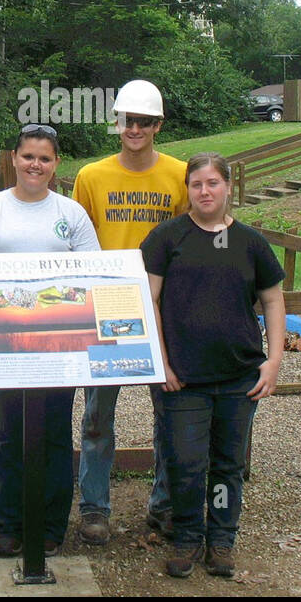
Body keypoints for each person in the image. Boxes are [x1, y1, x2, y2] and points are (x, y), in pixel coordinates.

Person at [141, 152, 285, 579]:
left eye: (213, 183)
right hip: (184, 378)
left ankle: (221, 537)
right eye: (197, 184)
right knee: (185, 462)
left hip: (239, 376)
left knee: (228, 464)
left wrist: (274, 360)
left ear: (227, 186)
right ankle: (187, 536)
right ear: (187, 189)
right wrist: (160, 362)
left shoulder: (251, 242)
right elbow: (147, 300)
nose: (205, 191)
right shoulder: (166, 238)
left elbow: (273, 299)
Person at [0, 124, 99, 555]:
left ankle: (52, 525)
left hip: (60, 343)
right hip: (6, 341)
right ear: (14, 159)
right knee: (9, 432)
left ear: (56, 164)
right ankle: (11, 523)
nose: (35, 165)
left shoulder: (70, 213)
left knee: (55, 432)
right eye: (28, 156)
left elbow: (91, 273)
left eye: (44, 158)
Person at [72, 80, 187, 545]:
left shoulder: (181, 175)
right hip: (106, 307)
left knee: (170, 412)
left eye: (144, 121)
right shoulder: (91, 177)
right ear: (116, 122)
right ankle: (94, 508)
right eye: (127, 120)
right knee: (98, 415)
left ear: (158, 125)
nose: (134, 128)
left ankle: (163, 506)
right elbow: (76, 245)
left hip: (164, 310)